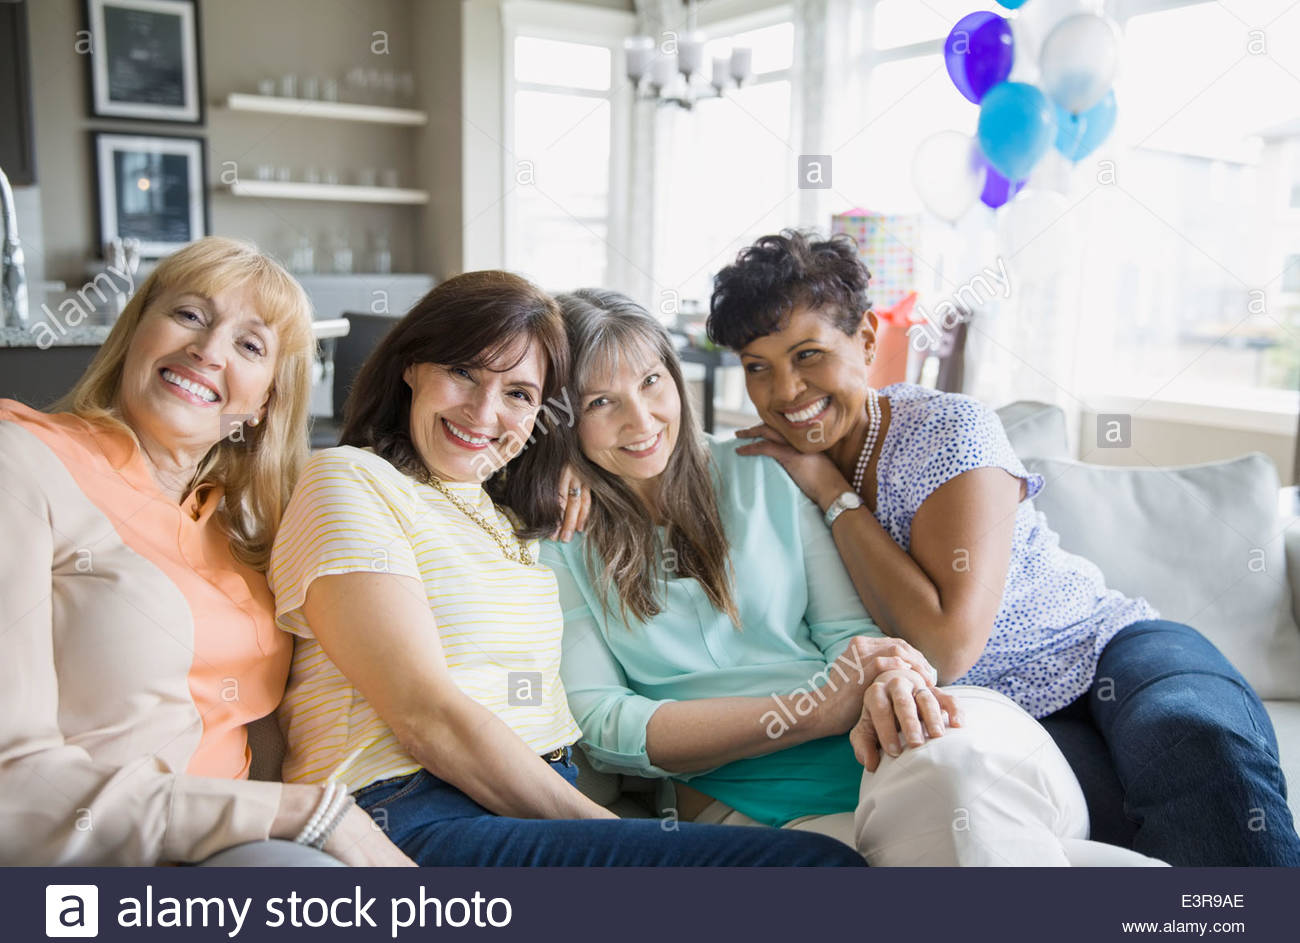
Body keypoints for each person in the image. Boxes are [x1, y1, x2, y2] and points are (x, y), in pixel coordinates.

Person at [703, 229, 1300, 866]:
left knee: (1194, 738)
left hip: (1106, 649)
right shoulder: (765, 474)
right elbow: (649, 469)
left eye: (808, 354)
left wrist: (832, 492)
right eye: (758, 367)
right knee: (1084, 817)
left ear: (868, 339)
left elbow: (949, 646)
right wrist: (577, 472)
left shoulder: (945, 430)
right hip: (1005, 720)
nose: (787, 389)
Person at [543, 288, 1163, 866]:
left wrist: (887, 675)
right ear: (562, 418)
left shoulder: (763, 470)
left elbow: (848, 629)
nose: (642, 419)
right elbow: (603, 724)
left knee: (951, 778)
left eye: (652, 381)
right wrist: (810, 711)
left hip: (921, 741)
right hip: (776, 804)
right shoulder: (557, 542)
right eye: (601, 401)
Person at [264, 270, 864, 867]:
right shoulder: (350, 480)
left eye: (519, 394)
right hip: (410, 806)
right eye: (462, 372)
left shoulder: (513, 516)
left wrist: (563, 467)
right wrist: (620, 837)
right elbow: (427, 718)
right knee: (812, 869)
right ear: (412, 366)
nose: (483, 411)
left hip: (528, 801)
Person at [0, 237, 410, 866]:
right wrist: (307, 815)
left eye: (250, 346)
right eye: (189, 315)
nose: (207, 350)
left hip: (246, 843)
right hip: (98, 863)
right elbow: (13, 783)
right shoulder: (20, 462)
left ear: (264, 401)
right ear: (136, 332)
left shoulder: (244, 526)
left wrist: (566, 468)